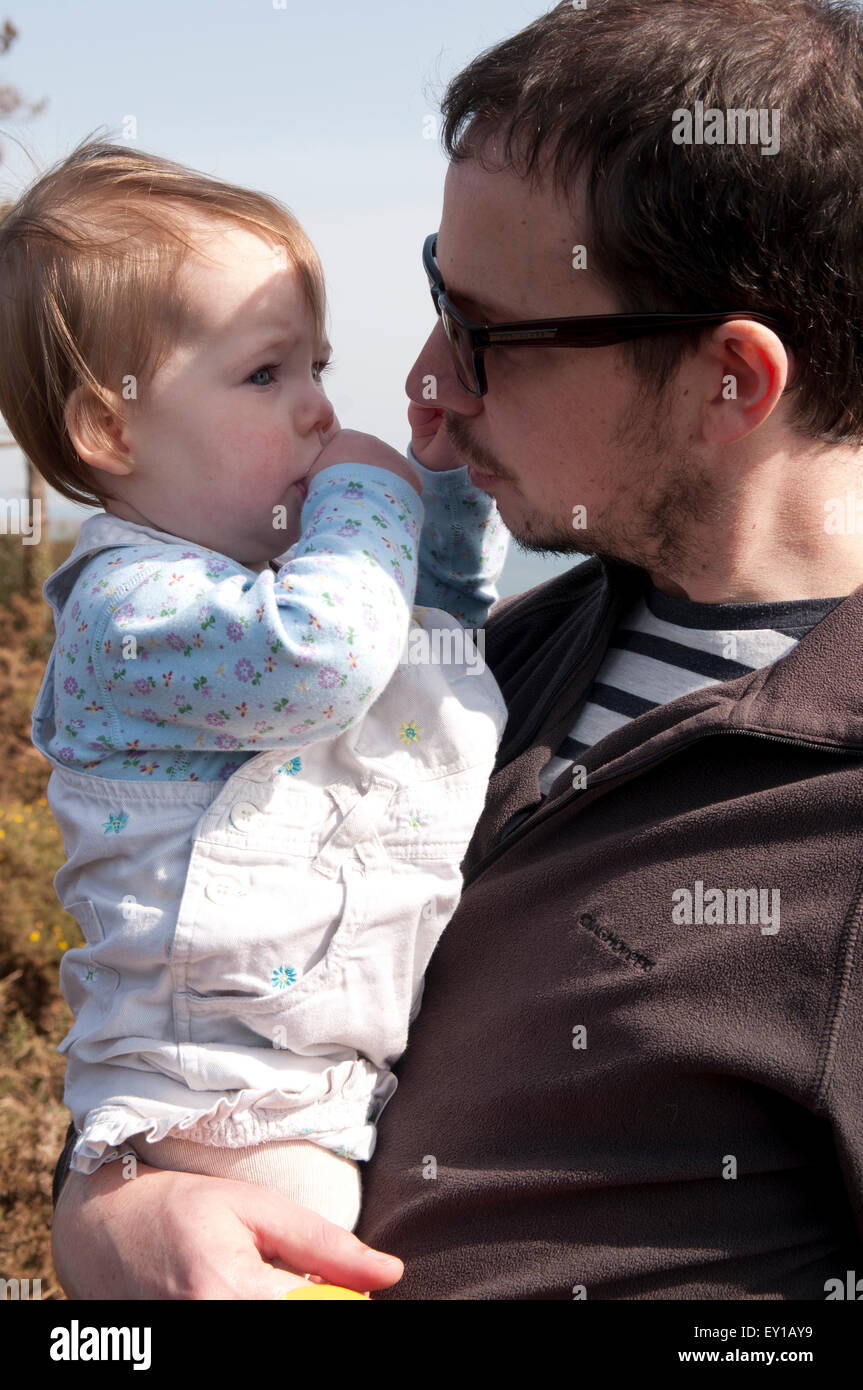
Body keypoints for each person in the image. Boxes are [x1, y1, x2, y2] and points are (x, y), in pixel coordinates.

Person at [51, 0, 863, 1299]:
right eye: (438, 294)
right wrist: (113, 1217)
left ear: (730, 382)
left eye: (486, 331)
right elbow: (215, 1045)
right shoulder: (498, 661)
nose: (422, 385)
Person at [0, 141, 507, 1291]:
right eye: (265, 374)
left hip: (303, 1090)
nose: (321, 407)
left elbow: (430, 645)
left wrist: (445, 493)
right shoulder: (132, 612)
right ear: (110, 430)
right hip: (216, 1110)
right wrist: (375, 491)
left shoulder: (263, 592)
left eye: (317, 364)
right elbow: (331, 656)